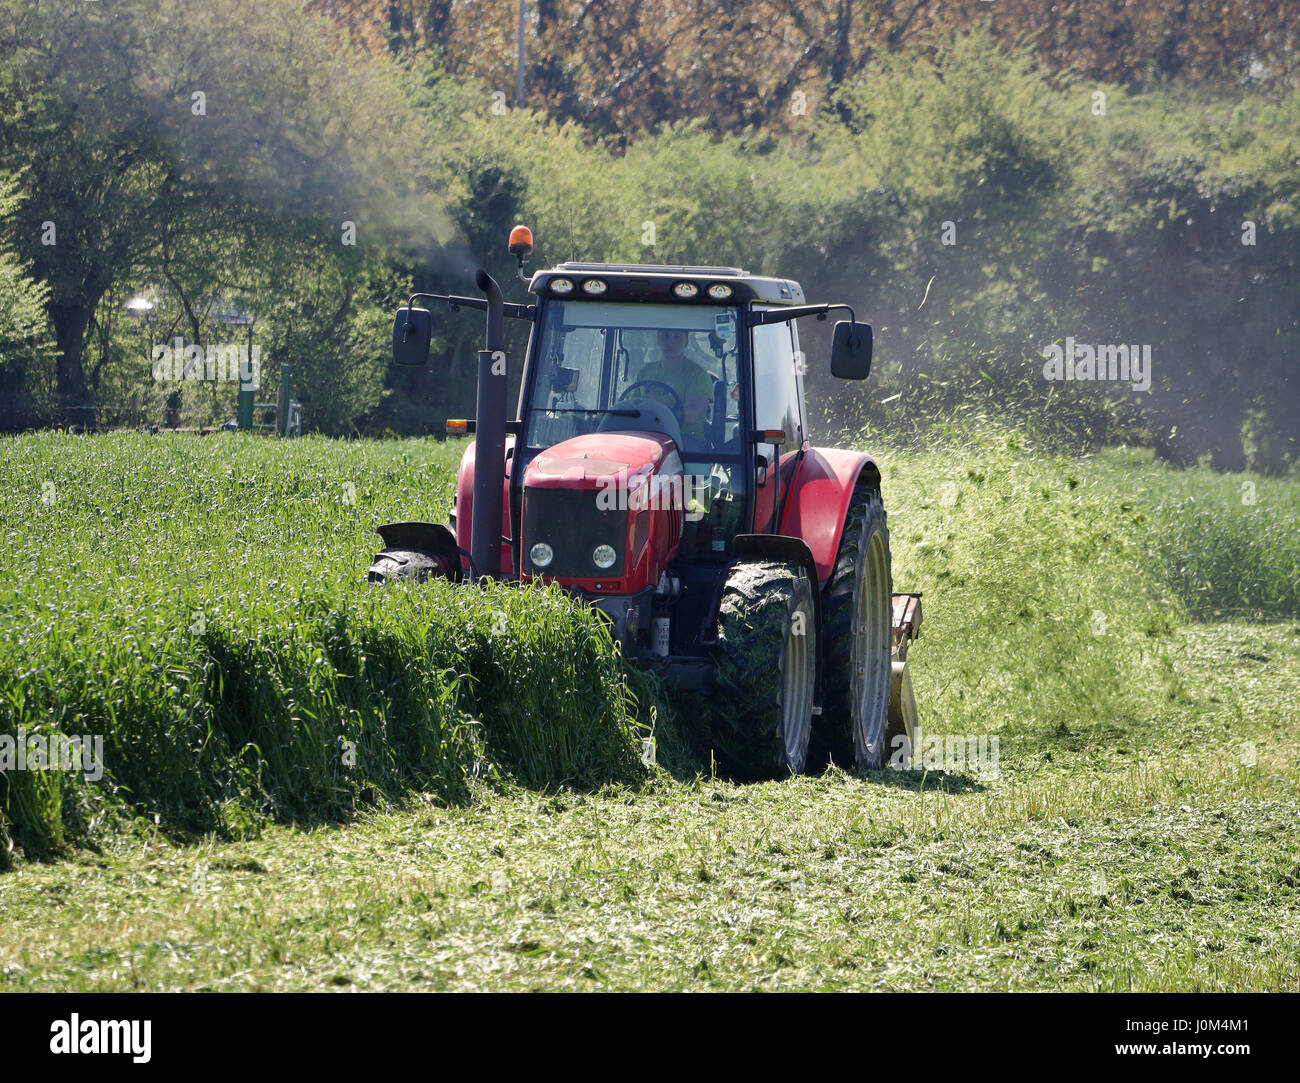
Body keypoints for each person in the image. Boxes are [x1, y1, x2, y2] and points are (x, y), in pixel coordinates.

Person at [633, 329, 713, 445]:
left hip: (687, 440)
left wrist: (658, 407)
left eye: (677, 337)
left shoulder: (697, 375)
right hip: (647, 437)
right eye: (665, 336)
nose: (670, 343)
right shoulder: (646, 371)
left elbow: (692, 416)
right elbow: (630, 406)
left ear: (686, 342)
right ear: (658, 341)